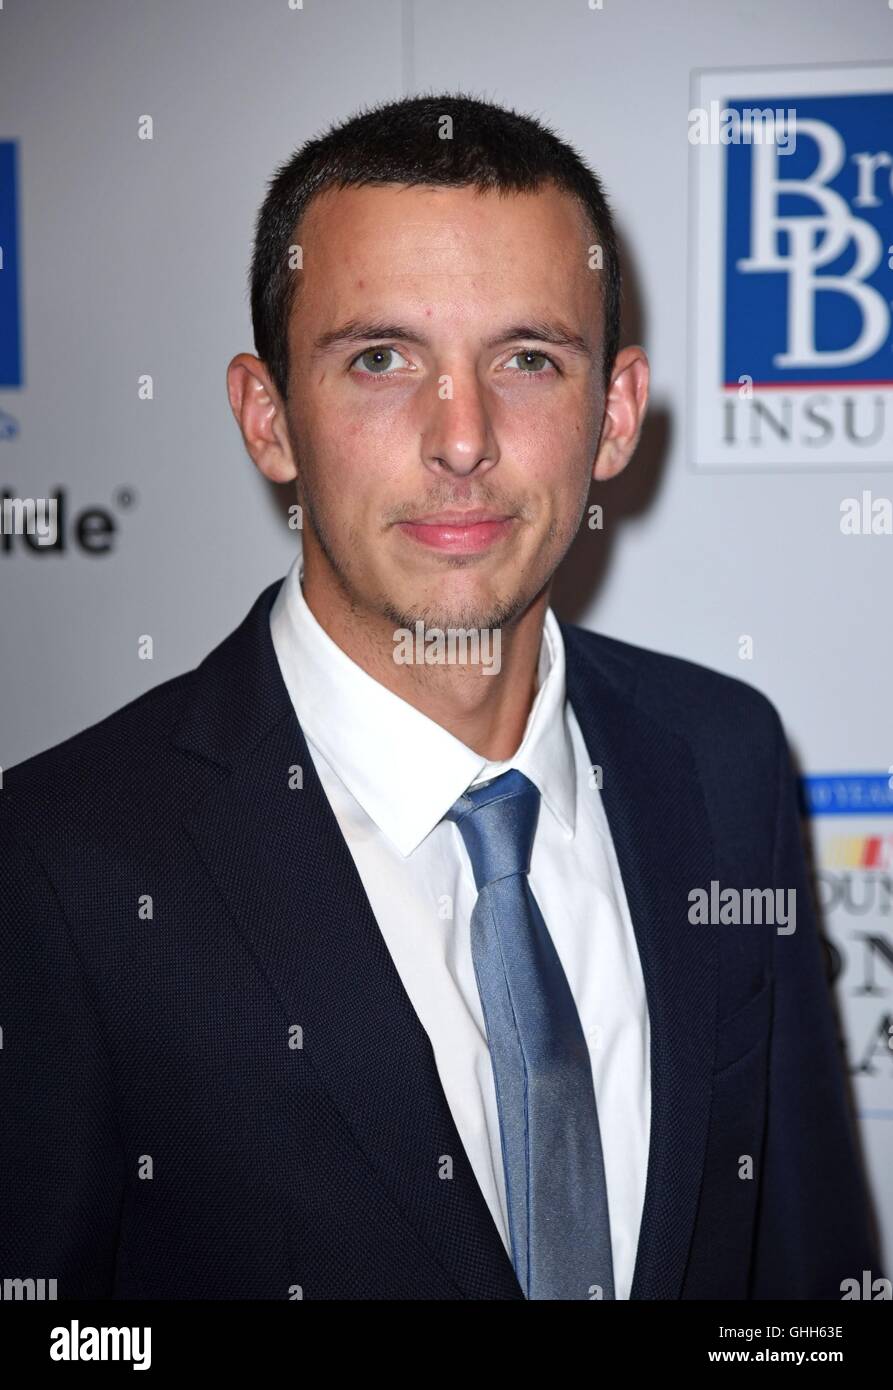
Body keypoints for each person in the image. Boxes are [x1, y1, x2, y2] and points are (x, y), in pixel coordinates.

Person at [0, 92, 880, 1300]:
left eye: (526, 358)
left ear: (613, 414)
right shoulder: (63, 858)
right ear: (269, 418)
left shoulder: (721, 756)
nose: (459, 437)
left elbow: (799, 1272)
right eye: (379, 359)